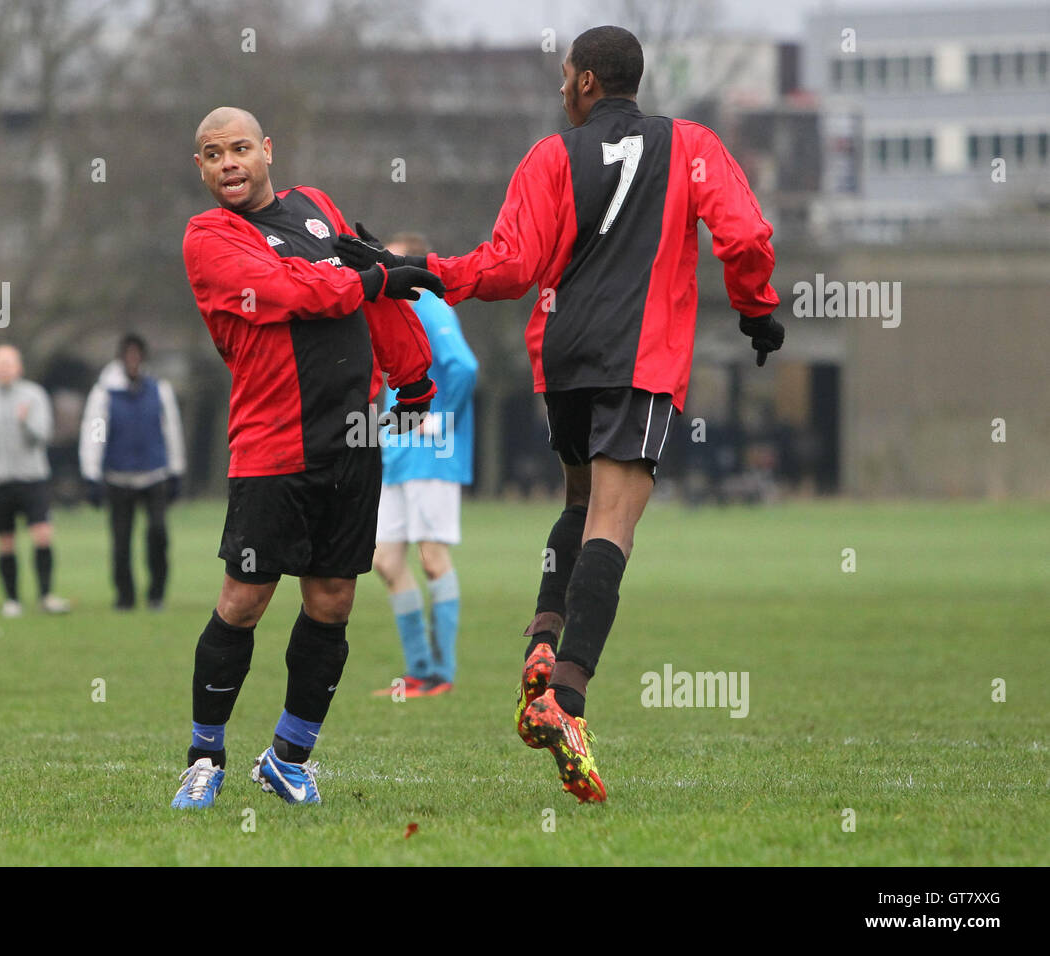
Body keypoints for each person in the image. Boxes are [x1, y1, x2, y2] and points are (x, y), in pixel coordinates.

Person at [336, 26, 784, 802]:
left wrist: (419, 272)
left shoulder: (551, 156)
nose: (561, 88)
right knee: (616, 520)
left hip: (565, 359)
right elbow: (743, 234)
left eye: (563, 76)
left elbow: (509, 269)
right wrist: (756, 309)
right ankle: (566, 696)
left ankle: (544, 635)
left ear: (583, 83)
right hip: (641, 359)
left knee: (578, 502)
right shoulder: (694, 145)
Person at [172, 106, 443, 809]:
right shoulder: (209, 238)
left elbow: (374, 279)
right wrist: (367, 281)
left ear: (267, 150)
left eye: (239, 148)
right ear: (199, 169)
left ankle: (289, 758)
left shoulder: (318, 205)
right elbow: (292, 292)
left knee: (333, 600)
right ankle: (205, 758)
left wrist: (413, 374)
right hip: (272, 444)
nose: (228, 162)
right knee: (244, 599)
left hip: (352, 438)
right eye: (212, 154)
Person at [370, 232, 478, 699]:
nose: (385, 271)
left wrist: (439, 419)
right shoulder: (394, 313)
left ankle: (442, 673)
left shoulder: (428, 302)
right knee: (386, 559)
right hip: (397, 453)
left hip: (431, 453)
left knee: (432, 559)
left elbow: (464, 366)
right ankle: (418, 670)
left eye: (393, 262)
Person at [0, 344, 71, 617]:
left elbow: (43, 435)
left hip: (31, 477)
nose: (4, 368)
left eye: (9, 363)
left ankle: (46, 595)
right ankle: (12, 600)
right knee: (5, 540)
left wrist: (25, 422)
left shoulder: (34, 396)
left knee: (42, 533)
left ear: (19, 367)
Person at [79, 334, 186, 611]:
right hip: (119, 477)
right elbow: (95, 433)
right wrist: (91, 474)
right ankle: (125, 596)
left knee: (158, 534)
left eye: (137, 355)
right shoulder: (104, 394)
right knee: (121, 541)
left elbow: (170, 429)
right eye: (129, 355)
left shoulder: (159, 390)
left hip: (154, 475)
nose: (133, 361)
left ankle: (156, 594)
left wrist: (176, 470)